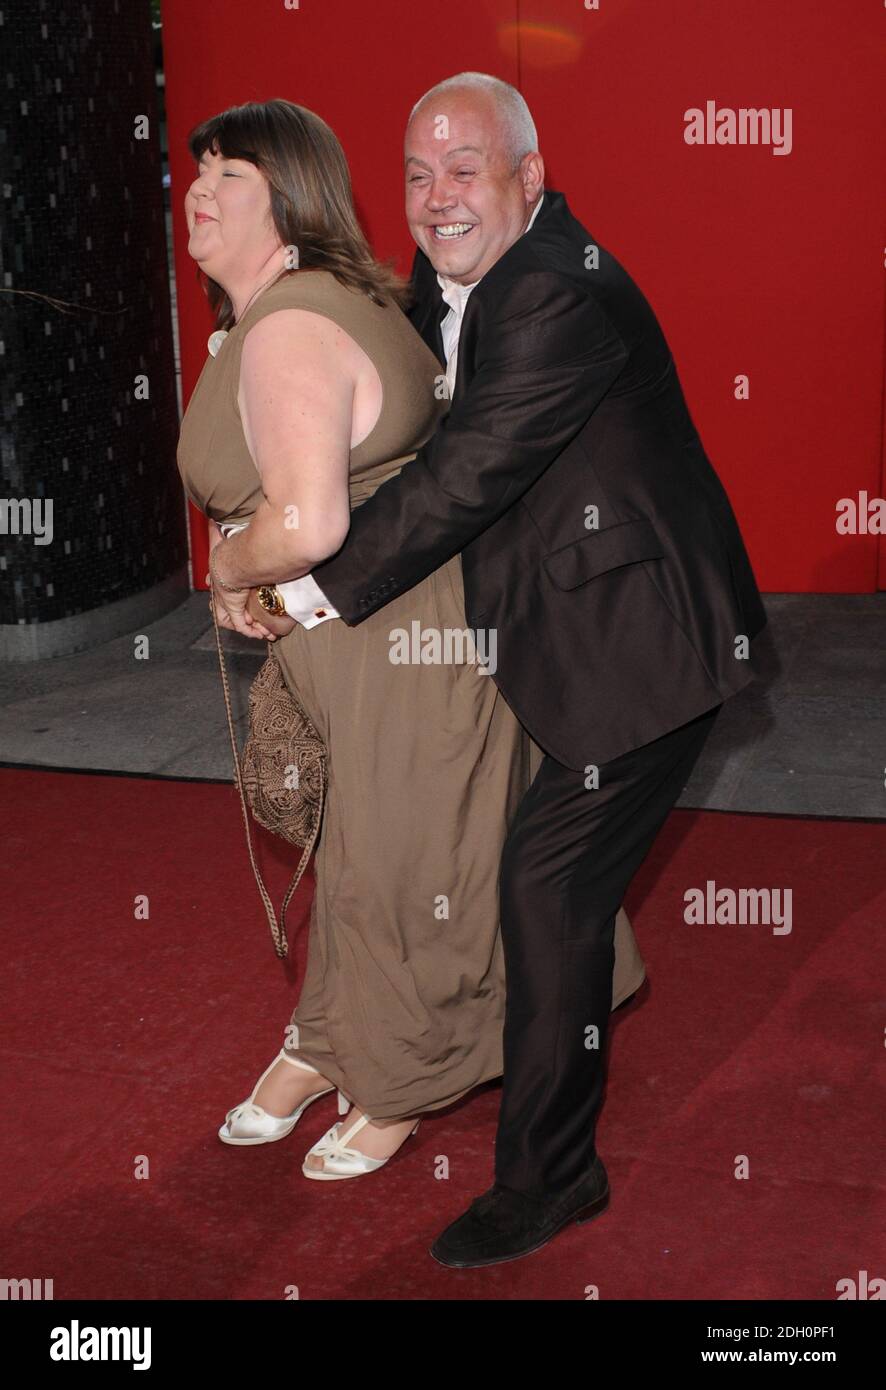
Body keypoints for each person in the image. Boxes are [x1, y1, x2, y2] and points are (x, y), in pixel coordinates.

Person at [275, 73, 768, 1263]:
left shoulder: (551, 290)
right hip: (567, 621)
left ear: (530, 181)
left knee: (546, 889)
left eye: (465, 169)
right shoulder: (458, 279)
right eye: (415, 173)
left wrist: (304, 586)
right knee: (544, 882)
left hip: (646, 647)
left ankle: (553, 1179)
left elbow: (468, 474)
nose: (436, 196)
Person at [176, 98, 646, 1182]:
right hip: (374, 627)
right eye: (195, 173)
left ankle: (401, 1077)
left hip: (391, 636)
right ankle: (326, 1040)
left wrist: (228, 566)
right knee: (362, 849)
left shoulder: (289, 323)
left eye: (230, 176)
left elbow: (310, 522)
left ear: (287, 197)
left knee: (407, 860)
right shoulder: (321, 302)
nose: (200, 192)